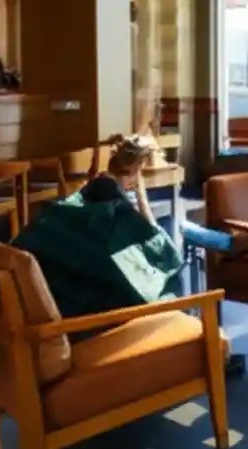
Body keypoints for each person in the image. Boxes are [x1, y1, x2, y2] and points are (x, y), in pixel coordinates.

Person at [12, 135, 183, 319]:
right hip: (84, 320)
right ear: (135, 175)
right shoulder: (117, 212)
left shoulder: (76, 203)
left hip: (44, 293)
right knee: (168, 287)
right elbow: (164, 254)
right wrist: (141, 197)